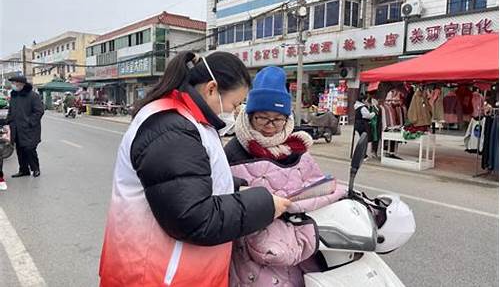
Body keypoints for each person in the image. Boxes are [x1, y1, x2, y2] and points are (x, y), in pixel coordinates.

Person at [99, 52, 291, 287]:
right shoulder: (172, 128)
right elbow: (193, 217)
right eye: (234, 103)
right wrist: (264, 204)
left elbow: (194, 176)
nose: (234, 112)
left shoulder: (190, 120)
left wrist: (240, 185)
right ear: (212, 89)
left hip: (176, 271)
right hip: (156, 275)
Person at [224, 66, 346, 287]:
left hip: (299, 249)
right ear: (249, 116)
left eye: (278, 119)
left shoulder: (297, 147)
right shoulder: (233, 152)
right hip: (251, 255)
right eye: (262, 119)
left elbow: (315, 183)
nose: (270, 127)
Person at [7, 76, 44, 178]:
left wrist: (29, 122)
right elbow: (11, 110)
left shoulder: (33, 96)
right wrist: (9, 121)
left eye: (15, 83)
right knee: (20, 150)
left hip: (30, 129)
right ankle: (23, 170)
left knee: (30, 149)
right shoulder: (14, 95)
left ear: (22, 84)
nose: (14, 85)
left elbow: (39, 111)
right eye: (13, 83)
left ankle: (35, 169)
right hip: (16, 128)